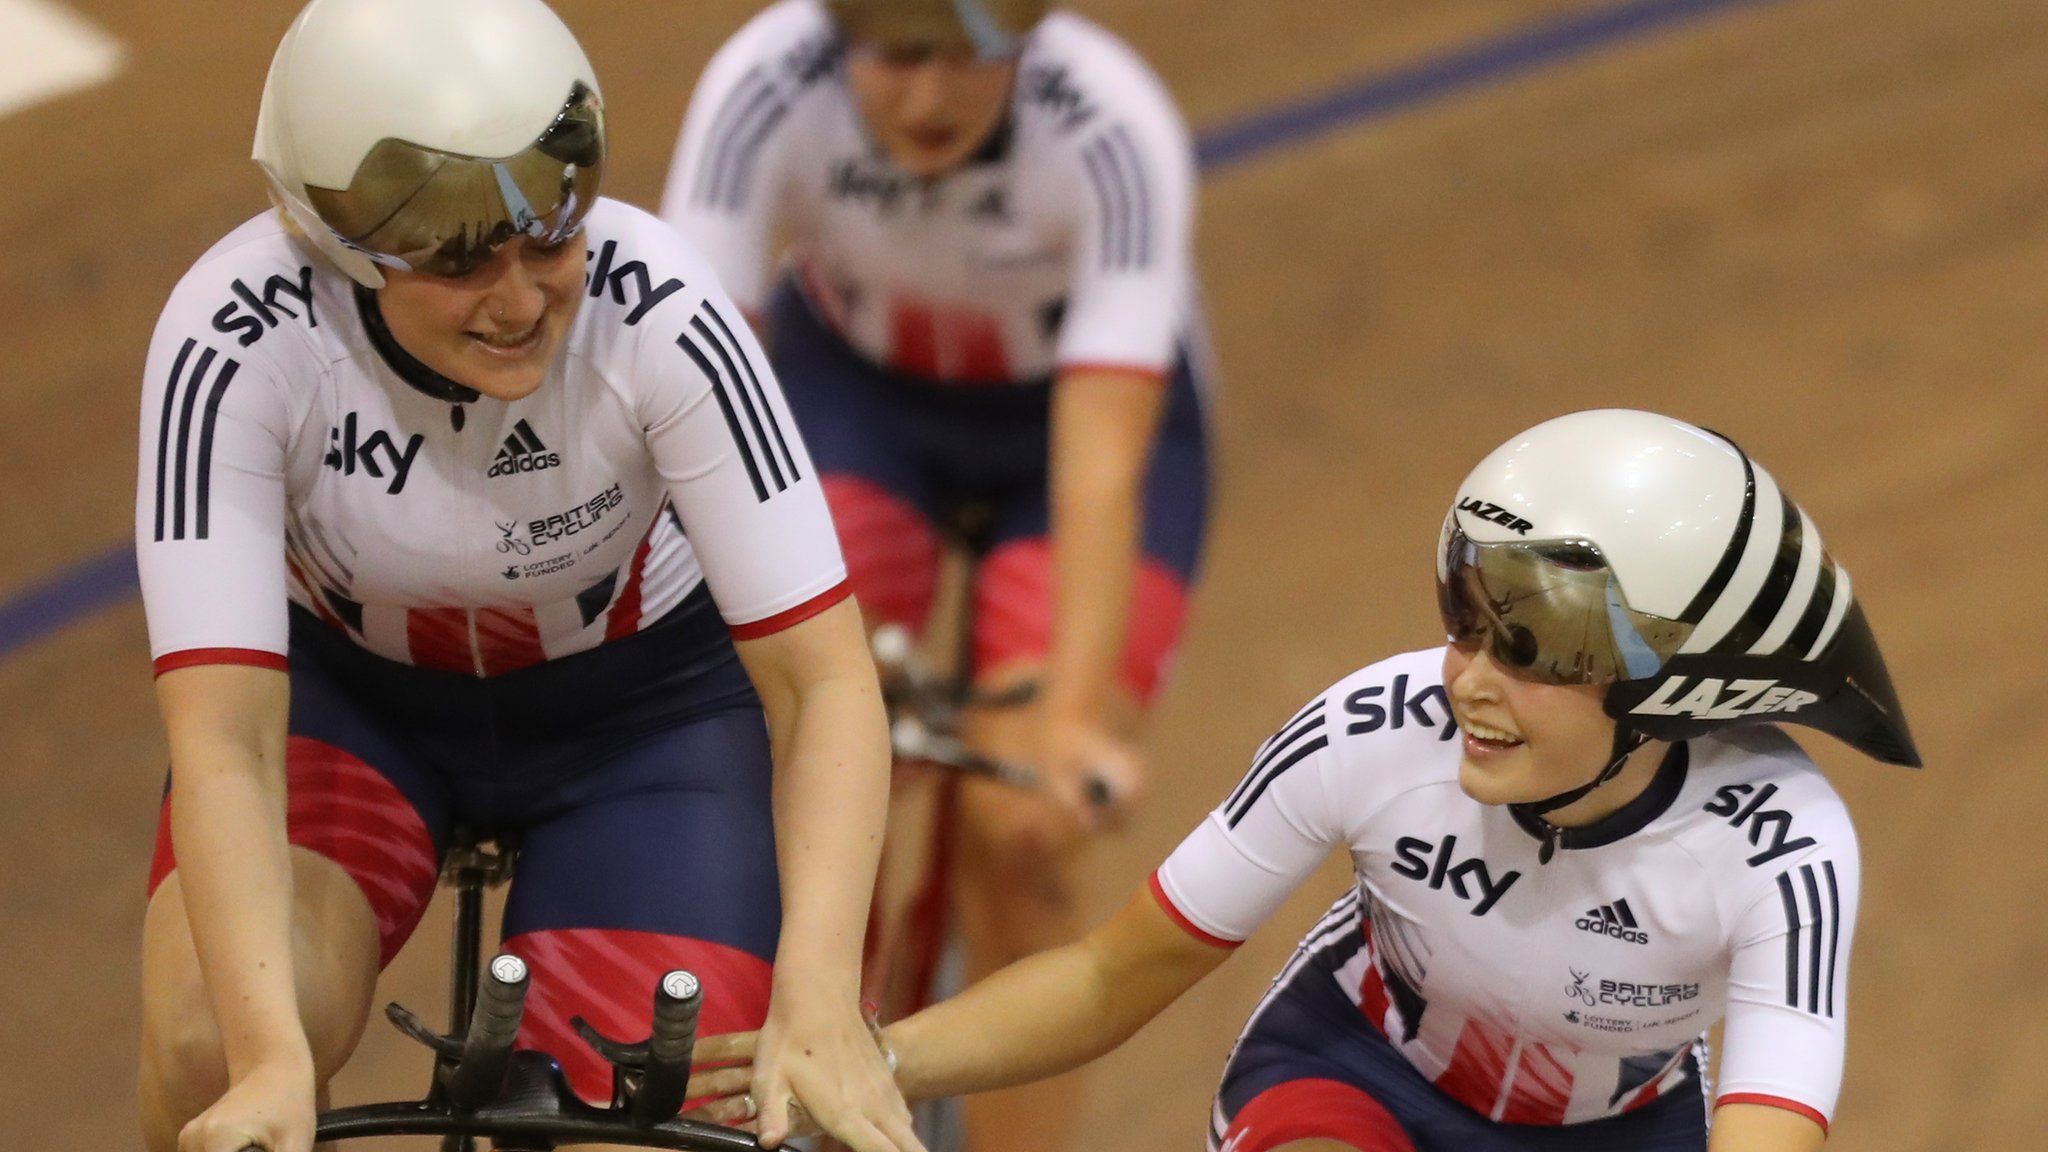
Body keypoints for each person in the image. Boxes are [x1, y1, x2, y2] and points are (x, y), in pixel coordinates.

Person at [686, 409, 1922, 1152]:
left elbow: (1771, 1123)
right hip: (1358, 1074)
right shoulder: (1372, 733)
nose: (1468, 677)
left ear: (1681, 690)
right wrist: (874, 1058)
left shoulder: (1780, 848)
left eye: (1534, 646)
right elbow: (1117, 971)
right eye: (1464, 614)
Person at [132, 2, 916, 1151]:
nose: (515, 301)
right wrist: (265, 1064)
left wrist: (818, 999)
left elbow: (823, 686)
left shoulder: (666, 314)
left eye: (547, 237)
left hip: (647, 723)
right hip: (358, 711)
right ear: (331, 242)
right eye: (455, 260)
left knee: (635, 1127)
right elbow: (227, 740)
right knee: (211, 1047)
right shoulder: (235, 339)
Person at [659, 2, 1208, 1146]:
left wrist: (1064, 729)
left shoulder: (1108, 122)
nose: (929, 100)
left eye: (970, 57)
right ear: (838, 37)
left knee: (1023, 835)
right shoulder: (762, 85)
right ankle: (803, 1073)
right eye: (898, 56)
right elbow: (683, 386)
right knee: (811, 780)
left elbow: (1099, 467)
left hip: (1068, 432)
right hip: (860, 407)